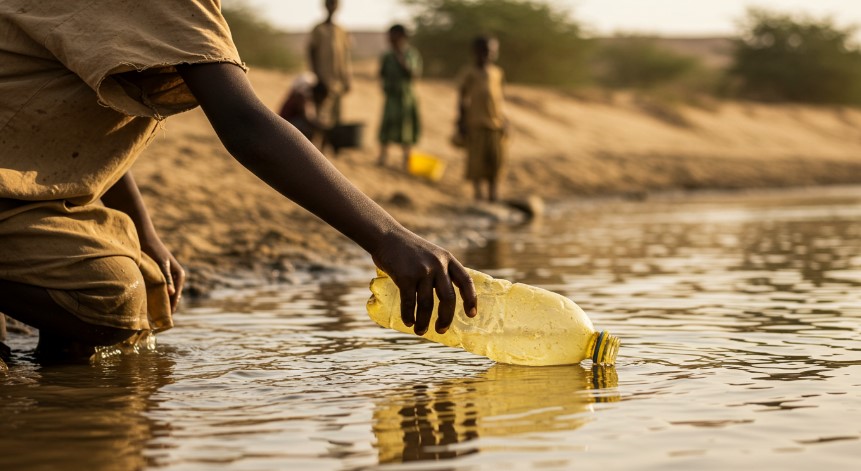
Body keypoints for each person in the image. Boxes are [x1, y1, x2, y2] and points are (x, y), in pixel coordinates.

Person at [0, 0, 477, 363]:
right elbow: (247, 126)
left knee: (144, 282)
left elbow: (83, 123)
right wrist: (387, 237)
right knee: (109, 299)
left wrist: (147, 234)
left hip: (30, 178)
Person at [457, 36, 508, 202]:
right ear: (476, 52)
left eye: (492, 51)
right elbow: (462, 99)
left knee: (496, 162)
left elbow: (500, 99)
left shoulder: (498, 73)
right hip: (476, 124)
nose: (488, 55)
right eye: (485, 51)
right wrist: (461, 122)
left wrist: (504, 120)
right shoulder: (469, 73)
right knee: (476, 163)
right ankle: (478, 195)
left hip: (496, 124)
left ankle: (493, 195)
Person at [308, 0, 352, 149]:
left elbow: (345, 56)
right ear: (325, 6)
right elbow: (311, 52)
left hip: (338, 81)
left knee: (336, 117)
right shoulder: (318, 29)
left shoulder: (341, 30)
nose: (332, 7)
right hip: (323, 80)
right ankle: (316, 148)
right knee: (321, 118)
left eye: (335, 4)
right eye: (330, 3)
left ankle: (328, 148)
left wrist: (348, 79)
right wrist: (316, 76)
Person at [378, 24, 422, 170]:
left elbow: (414, 74)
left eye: (392, 35)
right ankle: (383, 156)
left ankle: (406, 160)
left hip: (406, 98)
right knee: (387, 126)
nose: (389, 38)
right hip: (391, 97)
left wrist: (402, 61)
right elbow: (382, 73)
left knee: (406, 128)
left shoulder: (411, 54)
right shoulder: (387, 56)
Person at [279, 72, 321, 140]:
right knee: (306, 127)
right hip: (285, 127)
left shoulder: (295, 95)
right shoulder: (300, 98)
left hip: (284, 125)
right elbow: (307, 117)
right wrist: (321, 127)